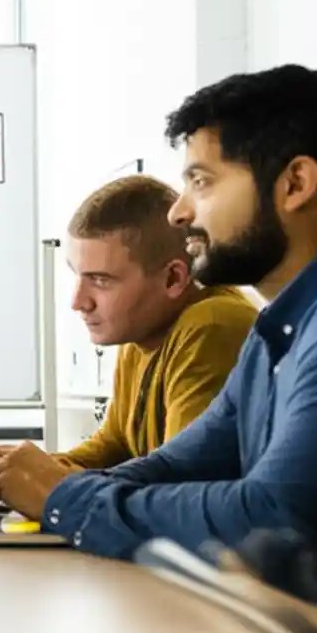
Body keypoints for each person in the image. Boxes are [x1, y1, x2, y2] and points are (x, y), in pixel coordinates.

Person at [0, 64, 317, 620]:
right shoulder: (280, 328)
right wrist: (35, 482)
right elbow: (174, 466)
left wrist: (60, 498)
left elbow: (276, 525)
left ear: (296, 184)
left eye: (202, 181)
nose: (180, 210)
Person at [56, 174, 257, 470]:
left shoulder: (212, 325)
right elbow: (115, 444)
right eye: (78, 275)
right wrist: (22, 469)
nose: (78, 302)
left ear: (173, 278)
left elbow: (180, 479)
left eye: (100, 280)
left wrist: (49, 484)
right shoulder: (141, 331)